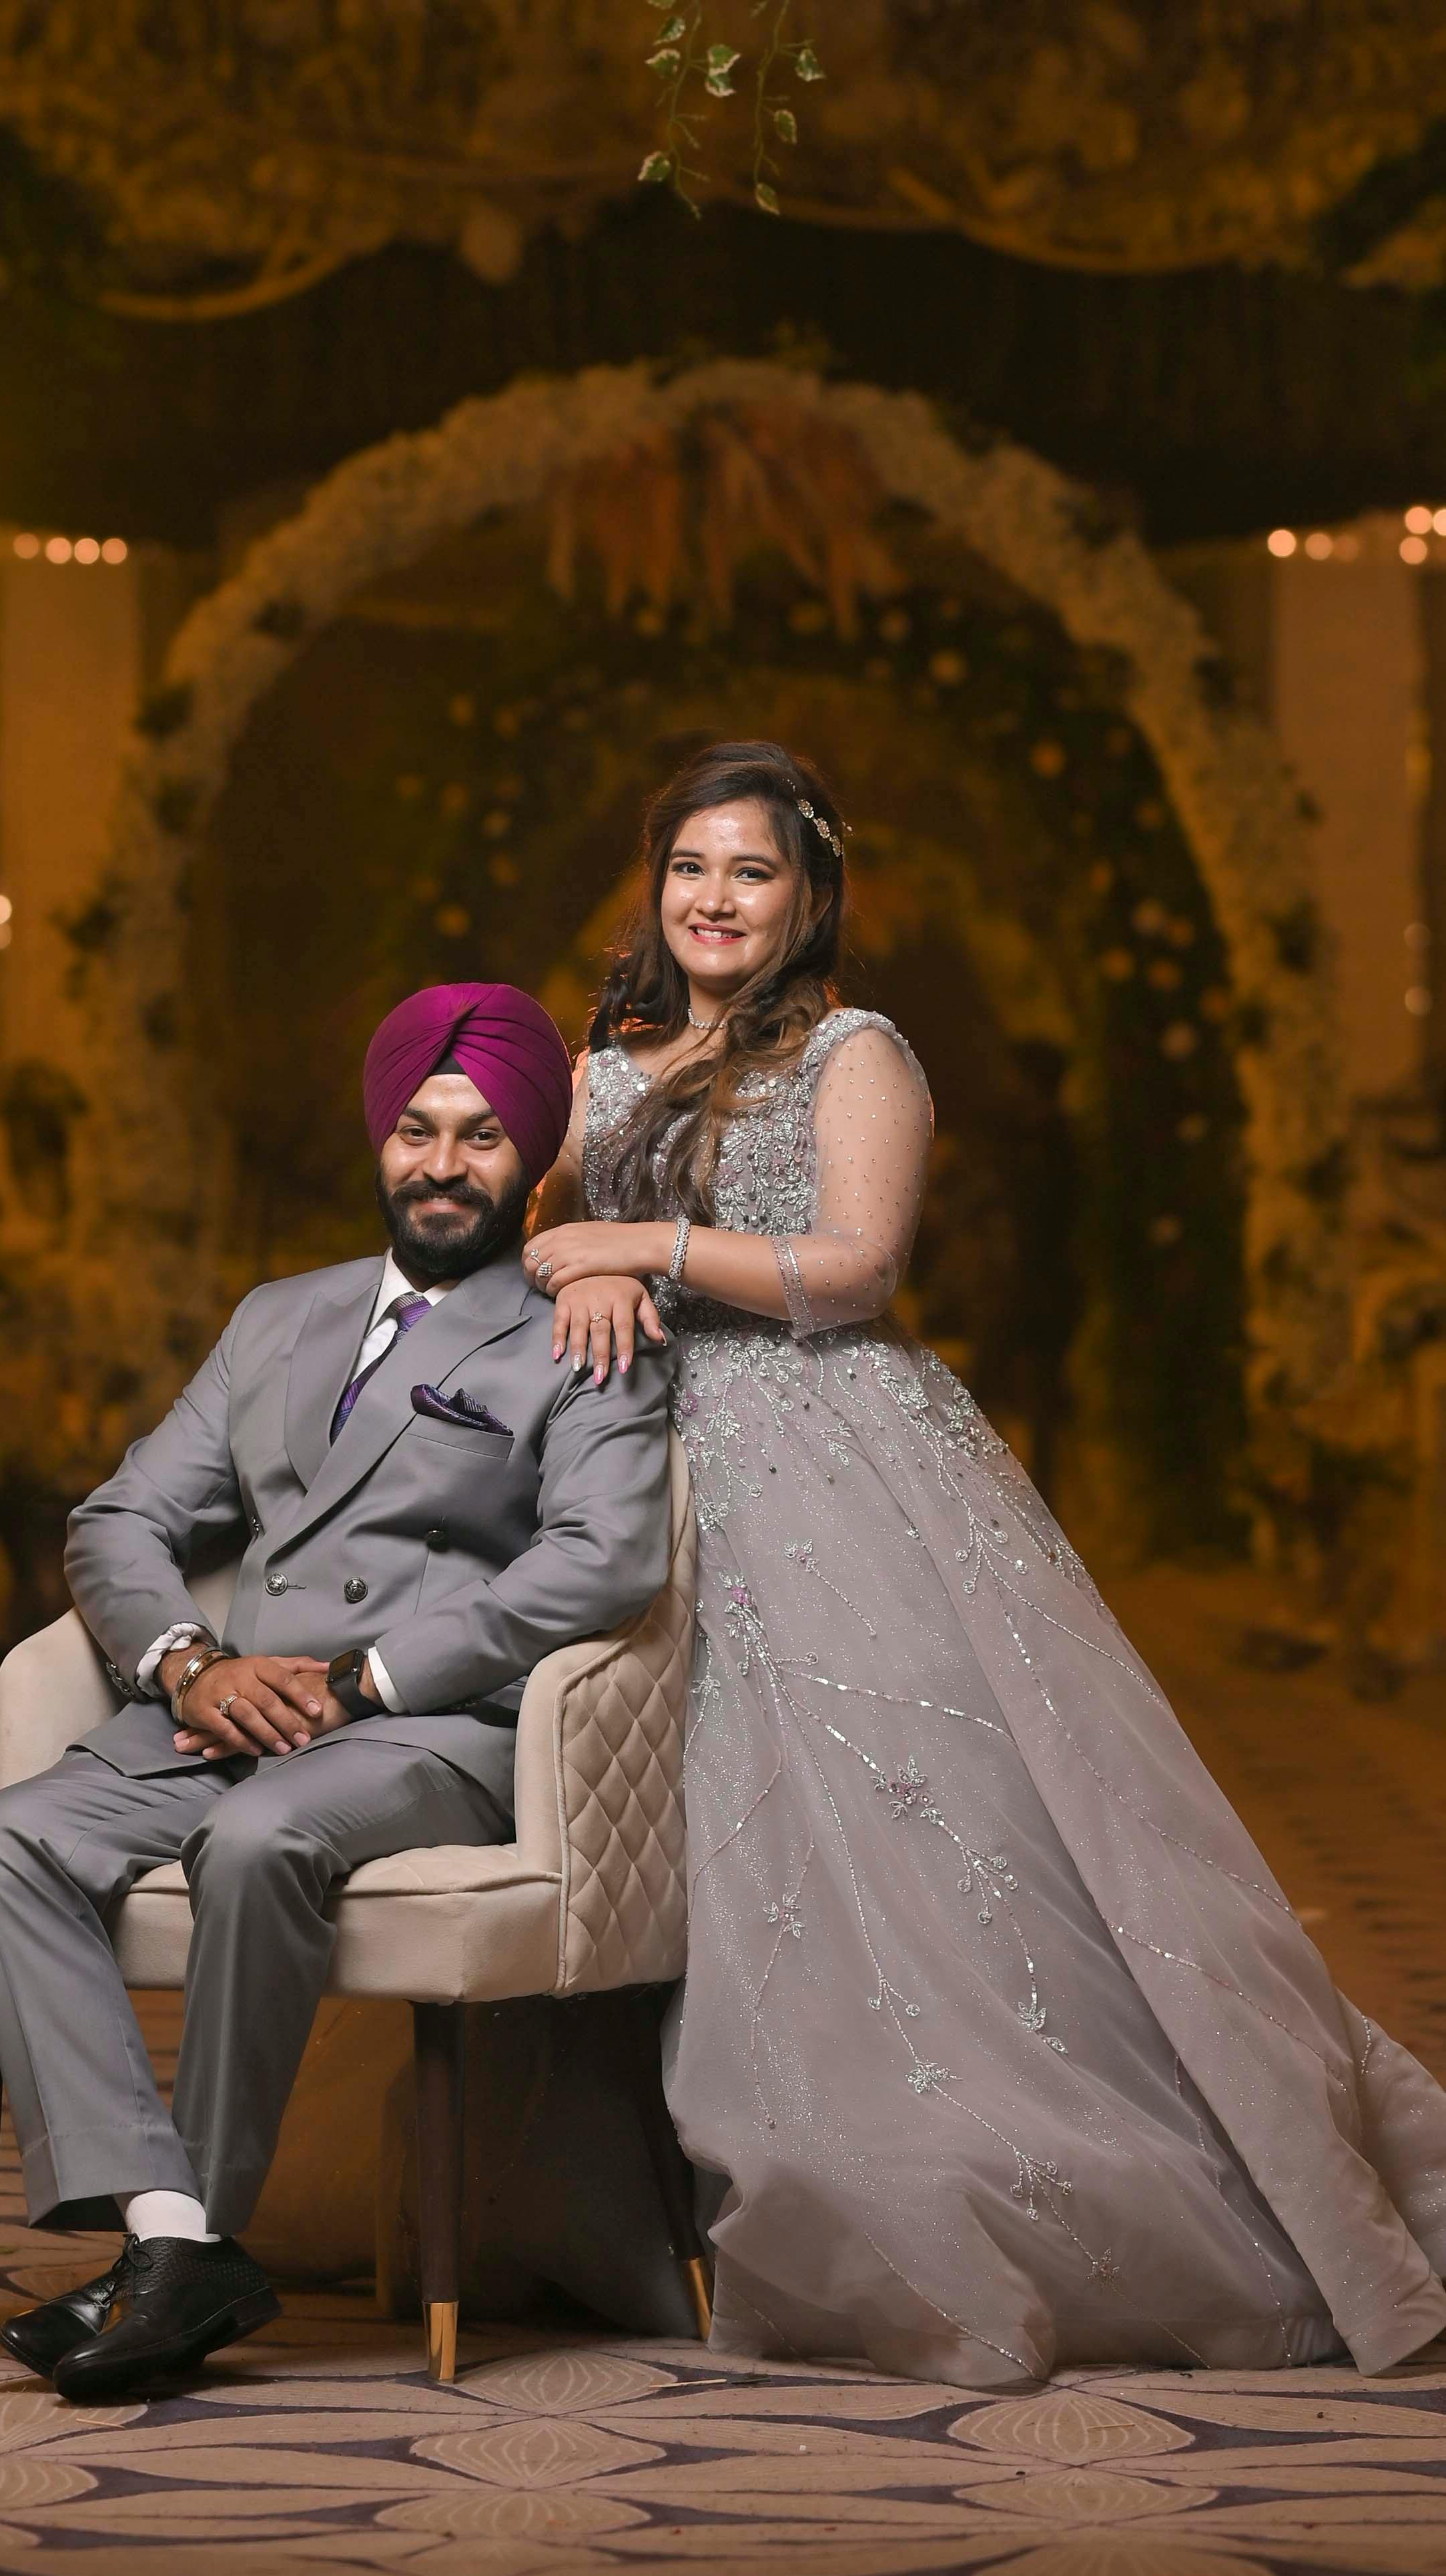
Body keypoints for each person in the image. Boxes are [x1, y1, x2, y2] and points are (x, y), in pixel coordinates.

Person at [523, 738, 1446, 2385]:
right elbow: (527, 1221)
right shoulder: (604, 1066)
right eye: (688, 868)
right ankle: (614, 2196)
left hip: (830, 1458)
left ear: (808, 896)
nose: (714, 899)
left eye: (750, 871)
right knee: (644, 1825)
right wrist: (573, 1267)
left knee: (911, 1825)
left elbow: (855, 1268)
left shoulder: (856, 1051)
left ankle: (1000, 2172)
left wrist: (637, 1244)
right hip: (631, 1469)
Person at [0, 982, 675, 2400]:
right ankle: (173, 2234)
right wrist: (188, 1662)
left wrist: (366, 1676)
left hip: (429, 1728)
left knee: (258, 1836)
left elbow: (603, 1561)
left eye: (479, 1137)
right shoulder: (278, 1317)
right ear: (379, 1139)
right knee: (2, 1840)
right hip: (227, 1711)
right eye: (415, 1131)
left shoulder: (579, 1328)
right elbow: (120, 1518)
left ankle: (188, 2239)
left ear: (530, 1158)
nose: (441, 1165)